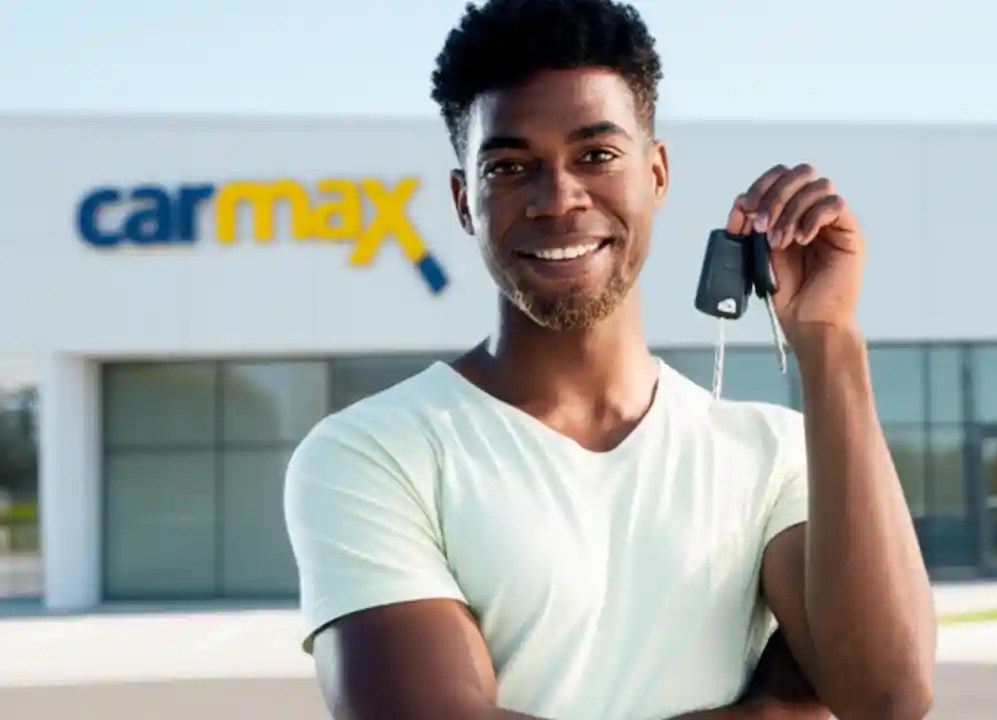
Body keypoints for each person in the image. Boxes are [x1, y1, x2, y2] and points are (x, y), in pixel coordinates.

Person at [283, 0, 937, 717]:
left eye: (596, 156)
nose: (558, 198)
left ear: (657, 174)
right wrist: (777, 710)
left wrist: (830, 339)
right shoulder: (374, 453)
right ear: (463, 201)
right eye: (509, 166)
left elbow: (887, 697)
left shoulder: (773, 455)